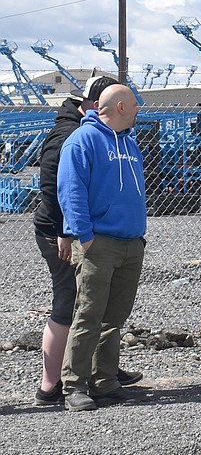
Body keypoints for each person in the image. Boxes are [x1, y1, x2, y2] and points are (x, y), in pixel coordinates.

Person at [33, 77, 143, 407]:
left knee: (114, 319)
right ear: (120, 107)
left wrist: (139, 237)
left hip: (130, 243)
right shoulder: (81, 140)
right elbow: (71, 191)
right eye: (135, 104)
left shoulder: (129, 142)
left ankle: (104, 381)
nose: (139, 110)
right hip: (99, 245)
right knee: (88, 315)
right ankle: (73, 386)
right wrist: (85, 238)